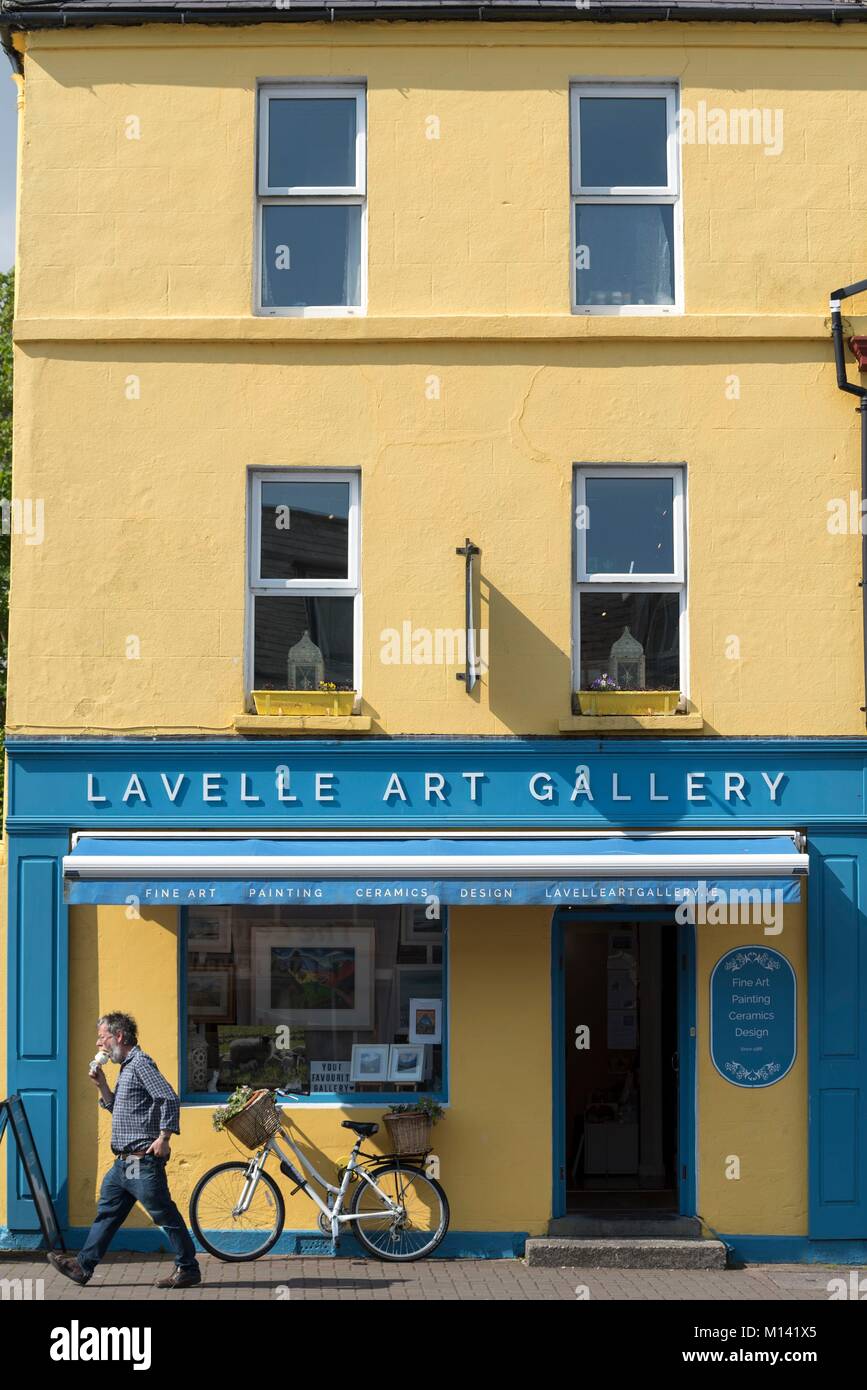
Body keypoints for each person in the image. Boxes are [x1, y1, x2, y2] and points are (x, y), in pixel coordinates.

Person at [47, 1012, 202, 1290]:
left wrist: (165, 1137)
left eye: (102, 1037)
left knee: (164, 1215)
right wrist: (103, 1086)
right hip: (124, 1165)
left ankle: (188, 1268)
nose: (98, 1044)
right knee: (108, 1213)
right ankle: (83, 1267)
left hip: (142, 1162)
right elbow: (119, 1107)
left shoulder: (141, 1063)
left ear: (119, 1036)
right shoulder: (126, 1067)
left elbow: (168, 1096)